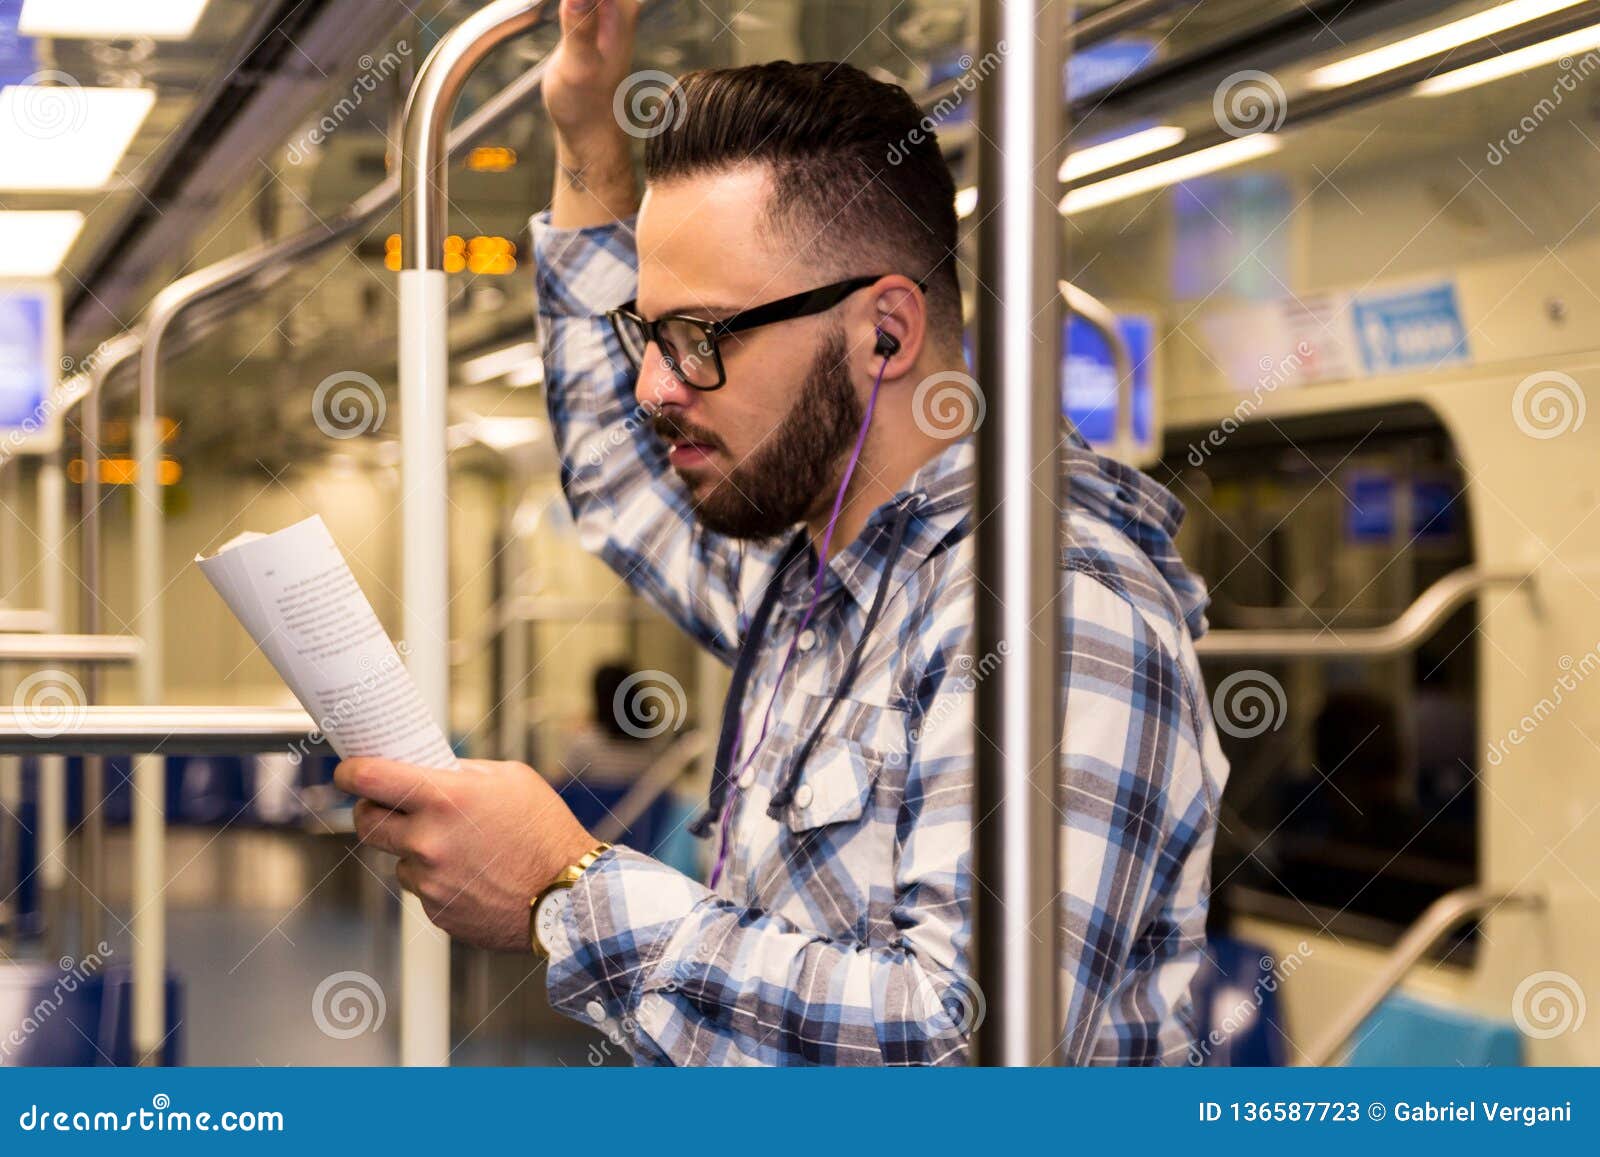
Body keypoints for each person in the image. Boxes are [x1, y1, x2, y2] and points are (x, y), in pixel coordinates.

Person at [334, 0, 1229, 1065]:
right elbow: (622, 483)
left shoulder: (1057, 607)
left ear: (884, 330)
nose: (653, 385)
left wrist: (564, 890)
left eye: (700, 336)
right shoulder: (819, 575)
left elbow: (965, 1048)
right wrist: (585, 139)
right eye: (648, 333)